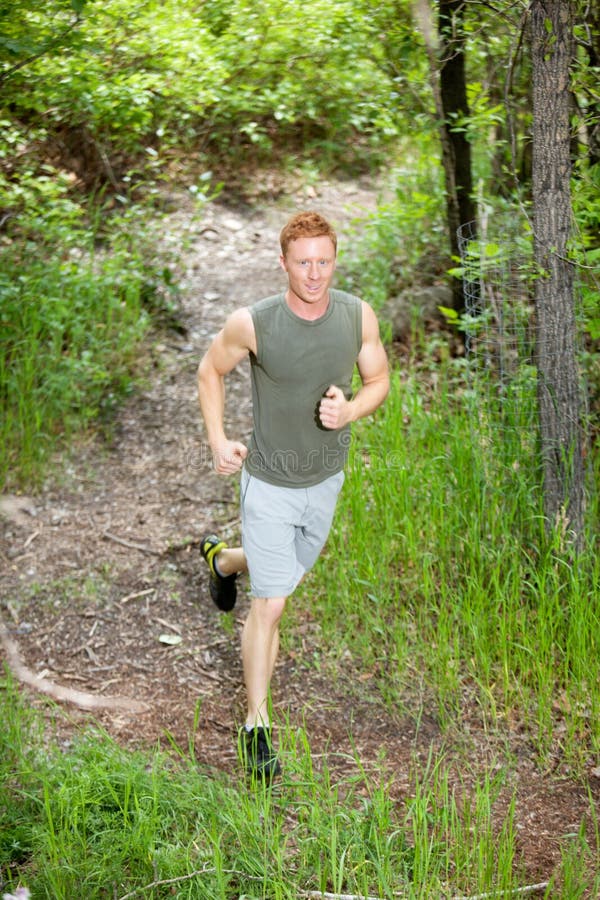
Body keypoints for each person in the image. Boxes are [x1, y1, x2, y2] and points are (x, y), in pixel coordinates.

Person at [197, 210, 389, 779]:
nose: (314, 273)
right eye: (302, 262)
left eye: (323, 261)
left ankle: (225, 560)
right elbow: (211, 371)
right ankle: (257, 725)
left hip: (325, 480)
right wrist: (218, 440)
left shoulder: (357, 317)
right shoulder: (253, 324)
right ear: (283, 263)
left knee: (278, 571)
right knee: (272, 603)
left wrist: (351, 408)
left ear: (335, 259)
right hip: (270, 482)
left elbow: (378, 380)